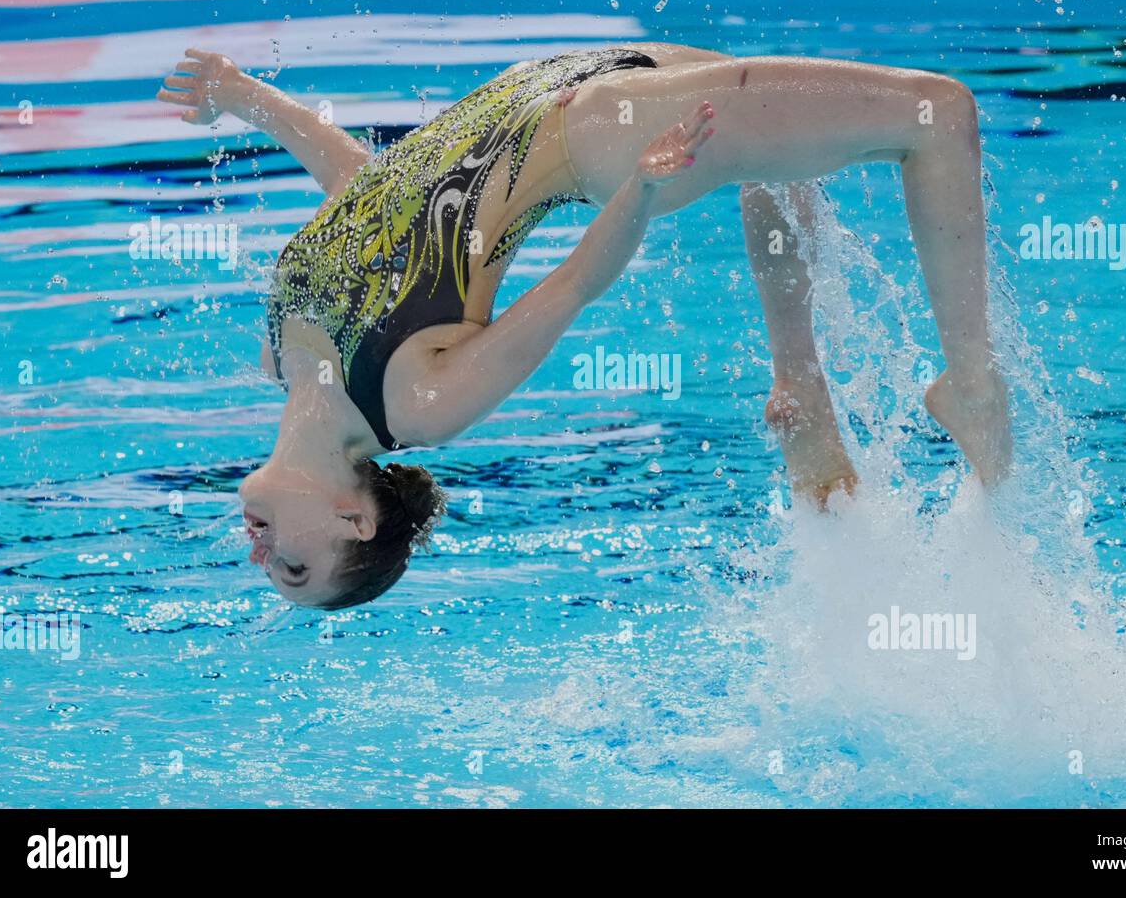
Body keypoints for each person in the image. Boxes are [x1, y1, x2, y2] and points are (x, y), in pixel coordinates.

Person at [157, 42, 1011, 609]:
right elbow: (569, 287)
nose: (262, 558)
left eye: (277, 573)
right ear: (357, 523)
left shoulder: (282, 355)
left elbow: (370, 193)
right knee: (937, 113)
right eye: (294, 572)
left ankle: (798, 388)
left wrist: (243, 96)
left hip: (568, 77)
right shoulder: (416, 402)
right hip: (594, 133)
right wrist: (640, 189)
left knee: (776, 161)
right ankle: (970, 383)